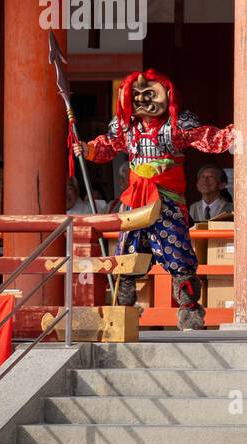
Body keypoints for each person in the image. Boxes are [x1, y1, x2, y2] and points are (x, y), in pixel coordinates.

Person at [78, 69, 236, 330]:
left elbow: (203, 136)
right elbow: (108, 145)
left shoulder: (177, 123)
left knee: (178, 253)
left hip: (166, 198)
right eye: (137, 96)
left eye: (150, 94)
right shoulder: (126, 126)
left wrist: (232, 136)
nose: (143, 101)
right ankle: (122, 313)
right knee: (127, 253)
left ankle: (189, 311)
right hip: (135, 197)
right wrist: (88, 148)